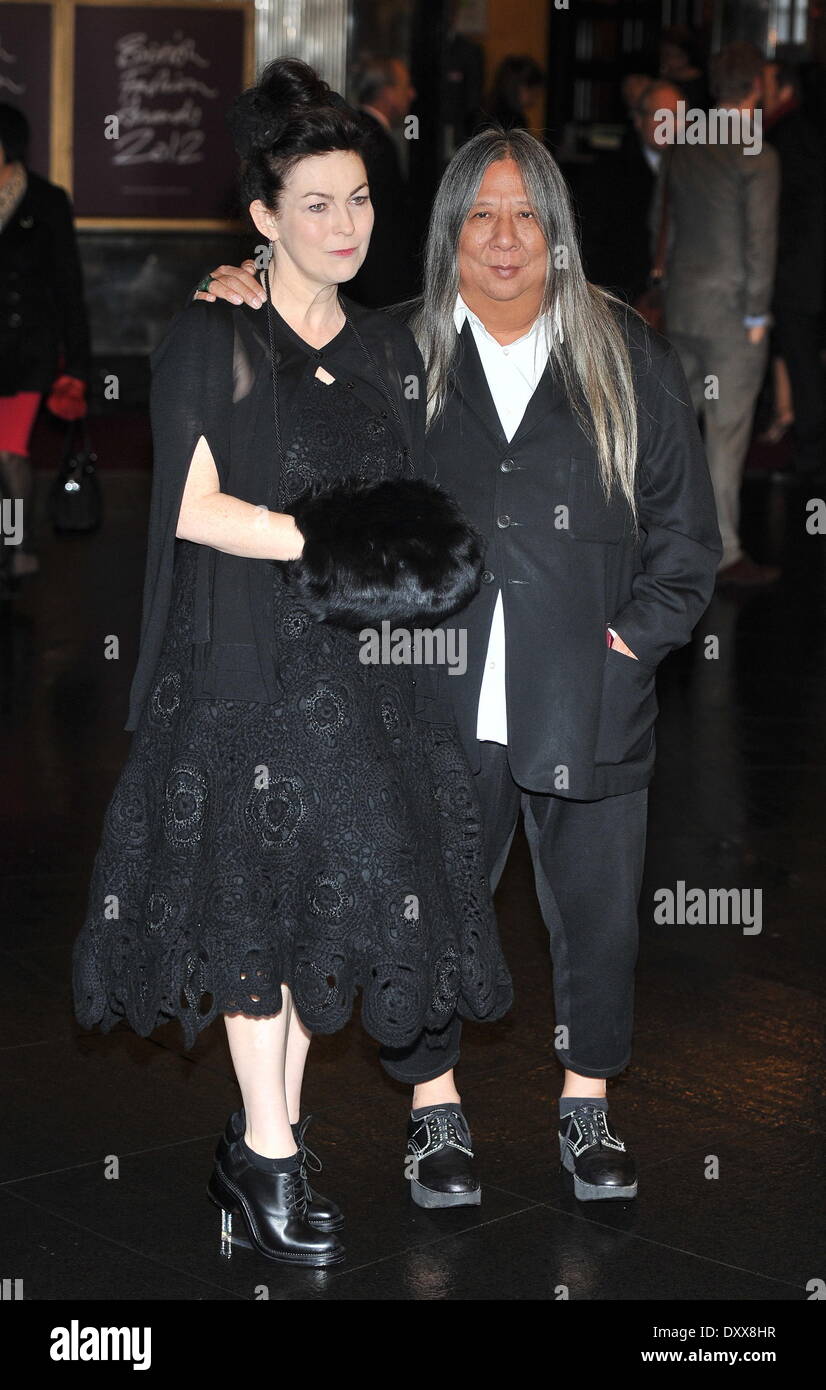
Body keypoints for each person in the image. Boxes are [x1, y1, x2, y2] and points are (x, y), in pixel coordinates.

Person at [201, 121, 721, 1206]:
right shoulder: (389, 349)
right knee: (425, 910)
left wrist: (633, 642)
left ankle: (587, 1104)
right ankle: (433, 1109)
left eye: (526, 213)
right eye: (479, 213)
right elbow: (294, 409)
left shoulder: (628, 353)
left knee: (598, 916)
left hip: (591, 693)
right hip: (428, 691)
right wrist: (244, 284)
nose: (503, 236)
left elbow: (683, 535)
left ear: (557, 232)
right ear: (448, 230)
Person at [71, 59, 512, 1267]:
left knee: (327, 902)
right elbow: (193, 507)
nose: (345, 223)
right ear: (261, 219)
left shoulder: (383, 346)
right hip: (243, 666)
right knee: (250, 909)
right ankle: (268, 1153)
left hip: (359, 674)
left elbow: (416, 490)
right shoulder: (213, 331)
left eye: (359, 198)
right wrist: (327, 540)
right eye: (313, 202)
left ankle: (263, 1140)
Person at [656, 42, 781, 587]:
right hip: (732, 315)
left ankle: (660, 544)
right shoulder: (758, 155)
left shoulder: (685, 147)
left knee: (674, 432)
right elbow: (760, 240)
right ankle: (725, 553)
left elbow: (662, 223)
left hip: (684, 305)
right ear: (757, 86)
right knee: (726, 435)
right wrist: (758, 315)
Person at [0, 103, 90, 589]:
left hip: (27, 354)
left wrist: (77, 367)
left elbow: (68, 290)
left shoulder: (46, 201)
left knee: (9, 454)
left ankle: (16, 546)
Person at [761, 58, 826, 478]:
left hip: (797, 274)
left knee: (803, 367)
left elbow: (776, 213)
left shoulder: (785, 137)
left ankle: (810, 453)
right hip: (805, 270)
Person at [347, 57, 419, 308]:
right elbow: (385, 225)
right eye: (405, 86)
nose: (412, 93)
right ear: (386, 92)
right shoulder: (375, 141)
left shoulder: (356, 129)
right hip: (374, 284)